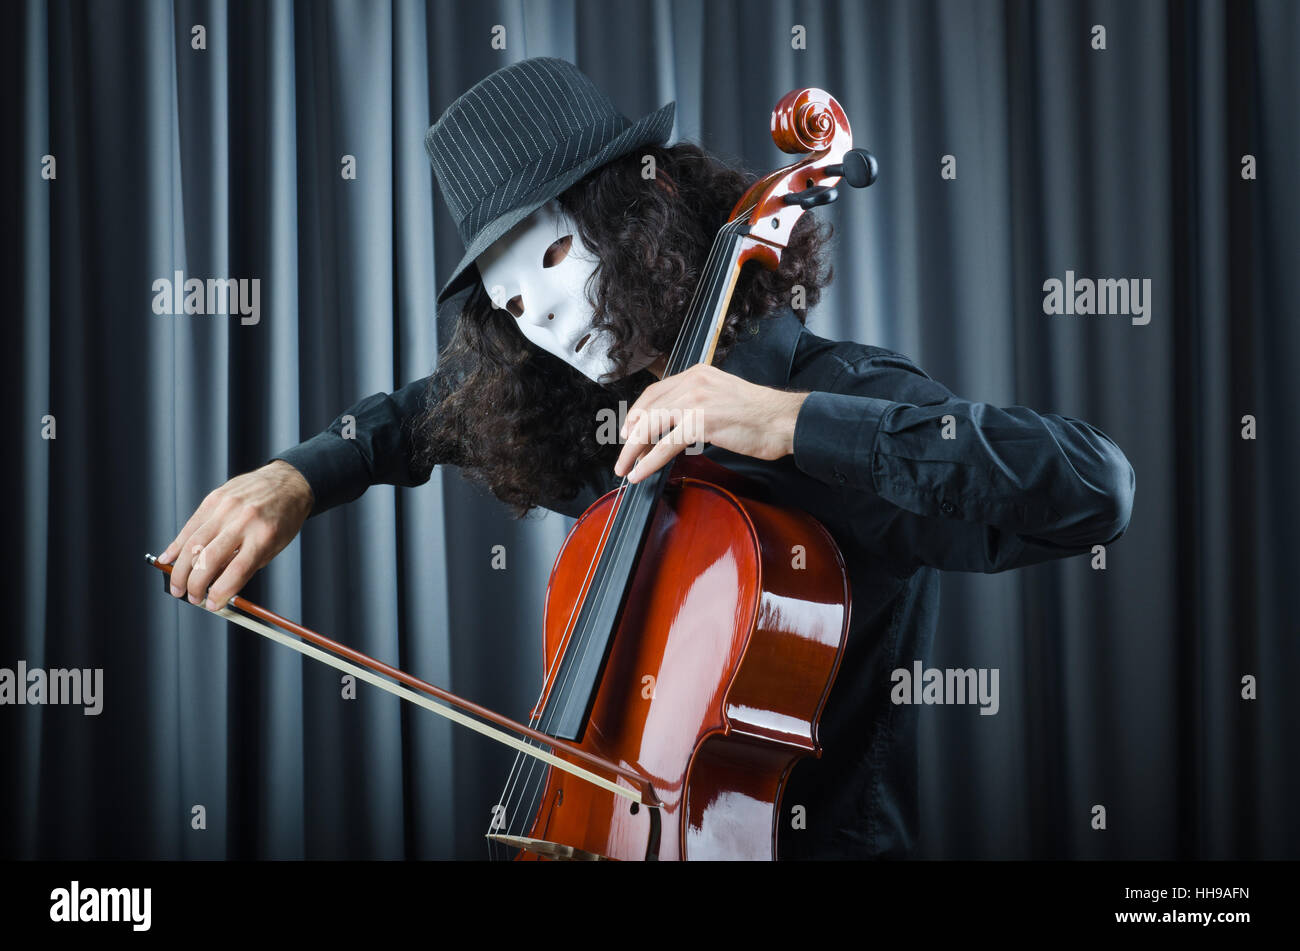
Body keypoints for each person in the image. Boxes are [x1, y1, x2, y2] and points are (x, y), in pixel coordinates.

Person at [158, 57, 1135, 859]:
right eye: (502, 302)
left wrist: (787, 424)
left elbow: (1092, 486)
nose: (533, 317)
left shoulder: (843, 396)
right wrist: (294, 477)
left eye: (545, 259)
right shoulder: (591, 415)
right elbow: (421, 415)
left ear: (644, 202)